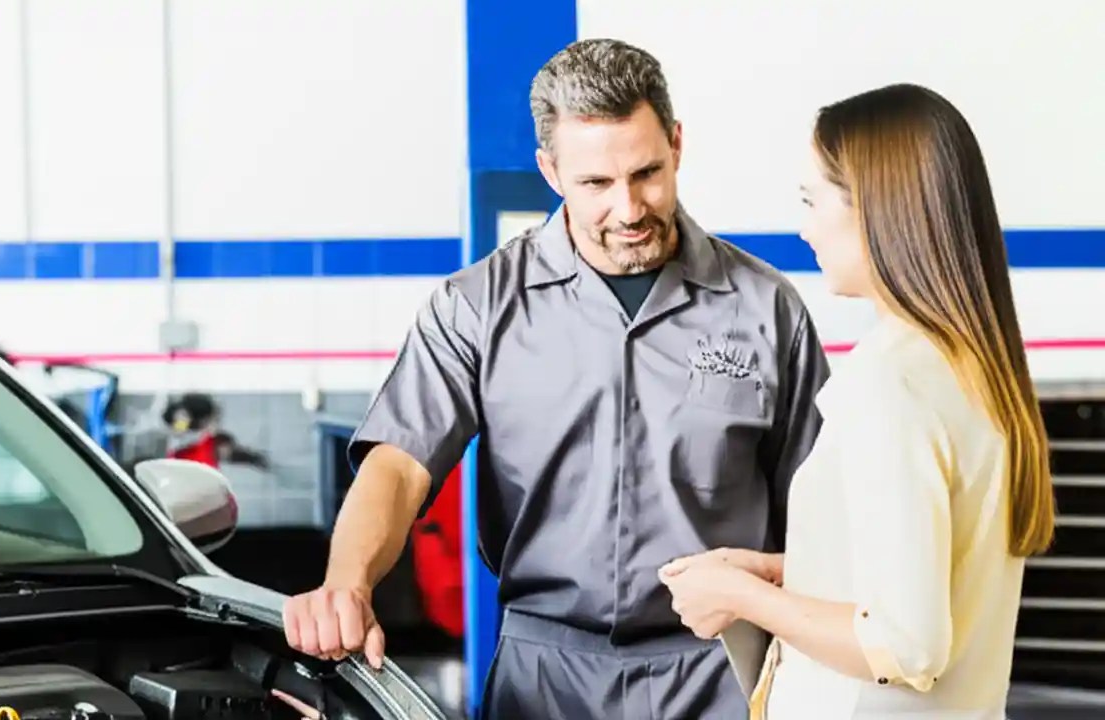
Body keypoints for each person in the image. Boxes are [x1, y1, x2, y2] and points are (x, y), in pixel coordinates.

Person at [280, 38, 830, 719]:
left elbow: (821, 515)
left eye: (647, 173)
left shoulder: (765, 308)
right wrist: (348, 584)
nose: (628, 209)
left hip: (719, 669)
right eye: (596, 184)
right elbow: (398, 464)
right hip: (545, 677)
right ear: (550, 170)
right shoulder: (478, 307)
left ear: (678, 145)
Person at [659, 83, 1056, 719]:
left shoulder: (888, 383)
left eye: (813, 200)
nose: (804, 226)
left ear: (876, 210)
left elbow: (906, 643)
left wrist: (738, 596)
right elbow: (928, 575)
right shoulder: (972, 368)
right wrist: (781, 571)